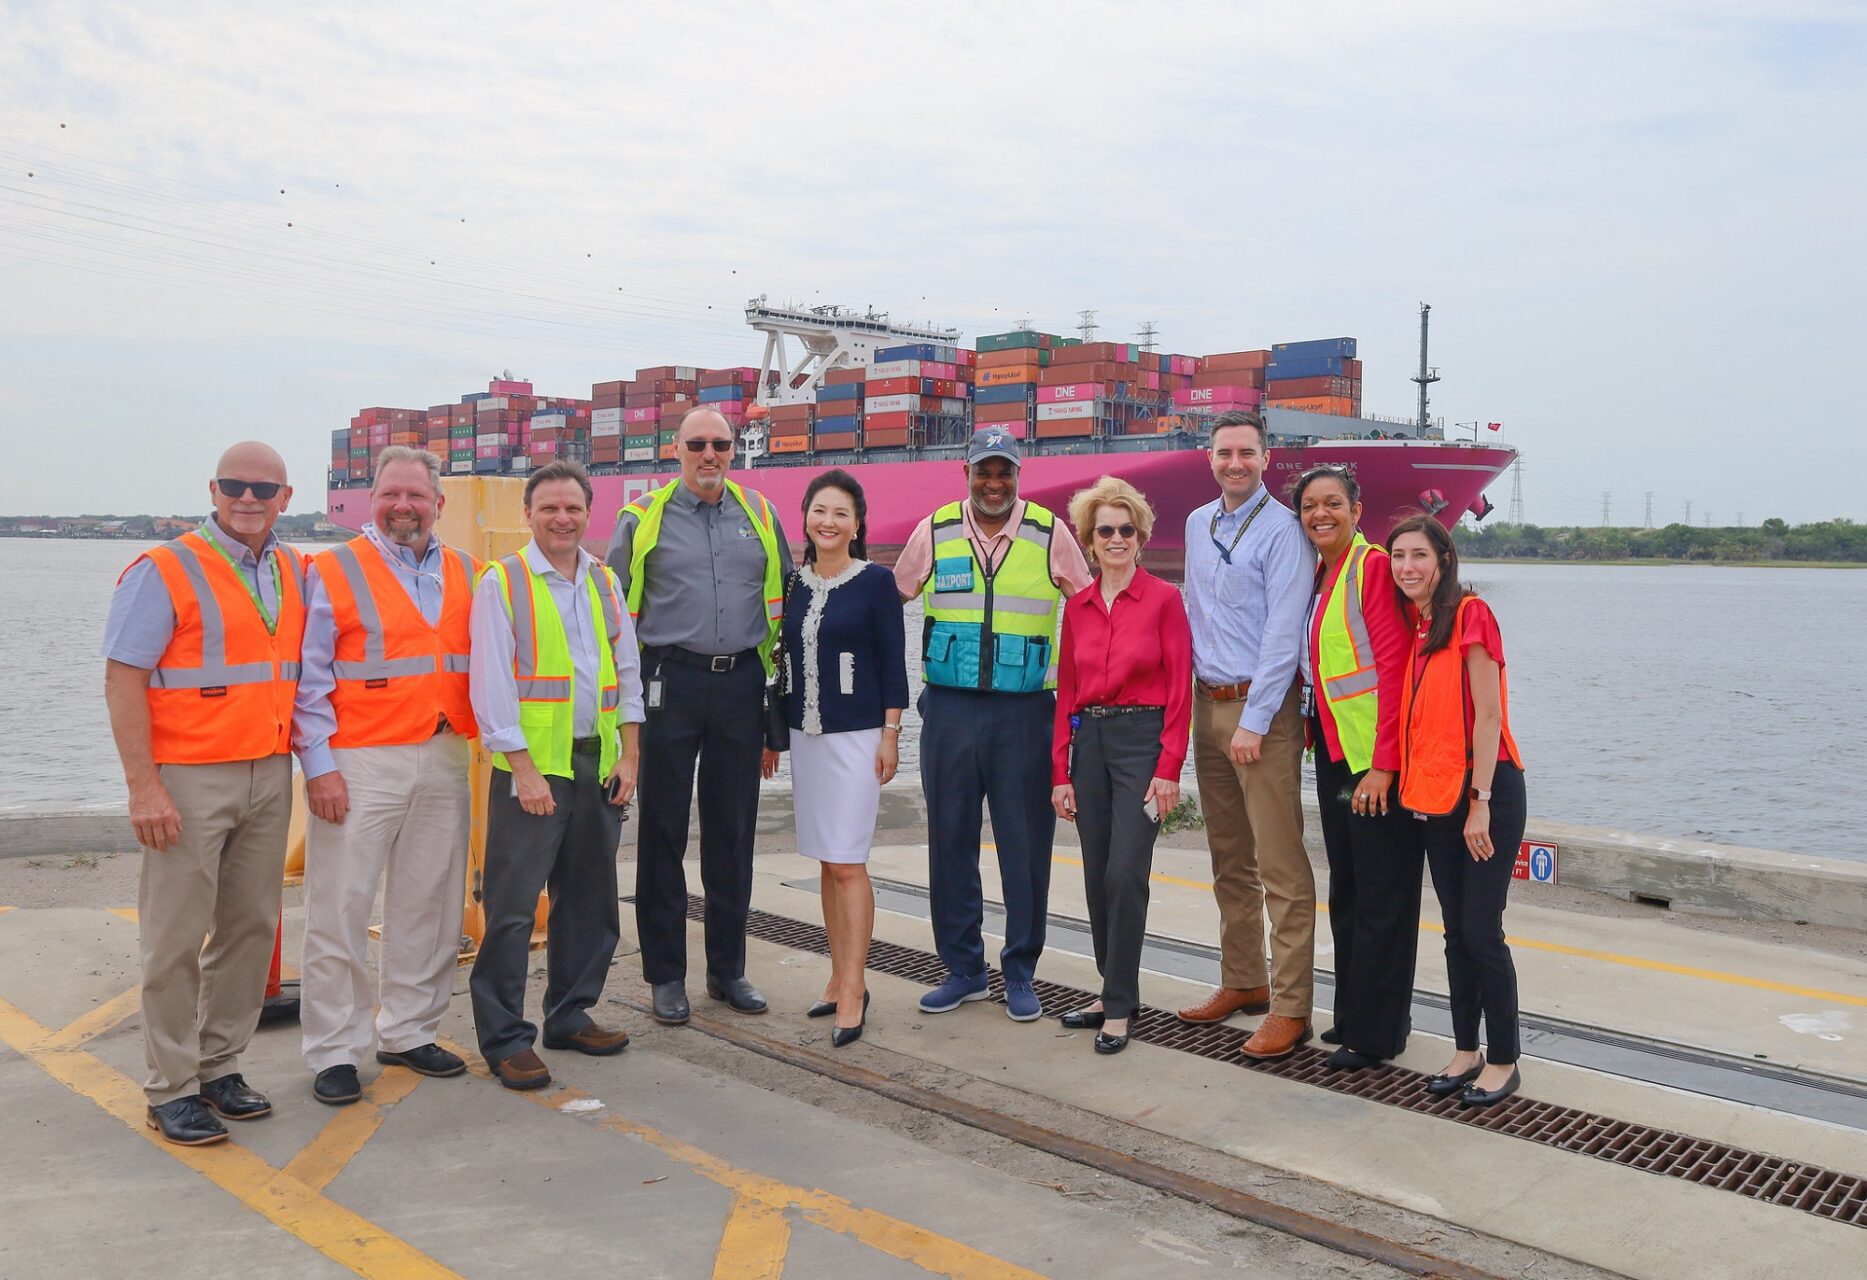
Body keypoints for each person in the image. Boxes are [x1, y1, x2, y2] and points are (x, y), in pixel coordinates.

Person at [102, 442, 306, 1146]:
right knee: (175, 937)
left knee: (250, 927)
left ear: (285, 498)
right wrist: (144, 787)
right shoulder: (163, 570)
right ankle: (171, 1088)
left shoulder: (292, 569)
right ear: (213, 490)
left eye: (263, 488)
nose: (248, 498)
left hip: (269, 771)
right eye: (234, 485)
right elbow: (122, 680)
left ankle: (221, 1067)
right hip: (188, 778)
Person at [294, 447, 481, 1105]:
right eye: (389, 495)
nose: (403, 506)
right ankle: (334, 1050)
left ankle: (408, 1030)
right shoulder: (332, 569)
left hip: (445, 752)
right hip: (358, 760)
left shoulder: (468, 571)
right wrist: (318, 766)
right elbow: (308, 678)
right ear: (370, 501)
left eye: (415, 495)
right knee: (339, 906)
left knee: (430, 903)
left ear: (439, 504)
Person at [895, 426, 1093, 1021]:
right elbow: (887, 600)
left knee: (1025, 848)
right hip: (948, 711)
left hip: (1026, 715)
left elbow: (1090, 615)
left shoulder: (1049, 533)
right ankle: (963, 969)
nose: (994, 483)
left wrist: (1087, 709)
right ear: (967, 473)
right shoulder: (933, 531)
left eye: (1004, 472)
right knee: (949, 841)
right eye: (984, 471)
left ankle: (1021, 971)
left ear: (1018, 476)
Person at [606, 407, 794, 1026]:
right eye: (697, 445)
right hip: (669, 681)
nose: (709, 454)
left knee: (733, 832)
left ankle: (727, 970)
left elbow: (788, 603)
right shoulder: (641, 519)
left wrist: (776, 707)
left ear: (734, 448)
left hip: (741, 684)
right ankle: (665, 976)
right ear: (676, 450)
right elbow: (611, 616)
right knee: (662, 830)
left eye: (720, 443)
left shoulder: (761, 514)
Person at [468, 460, 642, 1090]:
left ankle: (569, 1014)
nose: (561, 519)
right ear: (528, 514)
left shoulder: (604, 581)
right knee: (513, 908)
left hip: (598, 761)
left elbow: (627, 671)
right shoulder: (503, 582)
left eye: (572, 508)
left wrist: (630, 754)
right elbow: (490, 685)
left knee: (590, 899)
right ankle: (505, 1038)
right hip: (535, 768)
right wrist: (523, 769)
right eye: (549, 508)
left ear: (588, 513)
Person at [1177, 410, 1318, 1061]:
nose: (1234, 463)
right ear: (1208, 458)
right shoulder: (1195, 524)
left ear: (1266, 459)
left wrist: (1255, 722)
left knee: (1280, 866)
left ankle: (1290, 1008)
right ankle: (1243, 980)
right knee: (1228, 858)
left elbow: (1283, 635)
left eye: (1246, 453)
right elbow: (1195, 619)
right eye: (1224, 453)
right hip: (1207, 704)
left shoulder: (1285, 532)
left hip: (1260, 713)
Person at [1389, 514, 1528, 1108]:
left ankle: (1504, 1059)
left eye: (1419, 555)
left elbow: (1489, 715)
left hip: (1485, 792)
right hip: (1437, 796)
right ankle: (1466, 1049)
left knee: (1480, 929)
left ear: (1443, 559)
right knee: (1454, 931)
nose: (1407, 567)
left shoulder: (1472, 614)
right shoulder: (1420, 625)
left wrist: (1481, 802)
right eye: (1398, 556)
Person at [1049, 478, 1192, 1054]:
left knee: (1125, 873)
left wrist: (1170, 766)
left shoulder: (1164, 600)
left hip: (1142, 744)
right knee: (1095, 872)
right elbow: (1066, 692)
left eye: (1126, 529)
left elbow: (1180, 689)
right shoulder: (1077, 607)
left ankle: (1117, 1006)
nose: (1116, 539)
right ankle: (1114, 990)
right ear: (1089, 539)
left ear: (1140, 537)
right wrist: (1060, 772)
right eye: (1105, 530)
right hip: (1090, 745)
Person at [1291, 465, 1417, 1072]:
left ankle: (1378, 1034)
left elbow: (1393, 670)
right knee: (1349, 890)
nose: (1321, 514)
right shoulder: (1324, 574)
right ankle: (1353, 1014)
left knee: (1383, 897)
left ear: (1357, 510)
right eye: (1310, 505)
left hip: (1375, 764)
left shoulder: (1370, 569)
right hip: (1338, 757)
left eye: (1333, 503)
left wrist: (1385, 767)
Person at [782, 470, 908, 1048]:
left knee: (849, 861)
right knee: (826, 861)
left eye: (840, 513)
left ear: (857, 525)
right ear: (805, 517)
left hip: (857, 738)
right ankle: (837, 975)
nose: (828, 522)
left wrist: (891, 733)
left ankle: (855, 986)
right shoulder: (794, 583)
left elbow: (893, 662)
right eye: (819, 511)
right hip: (806, 738)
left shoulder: (876, 582)